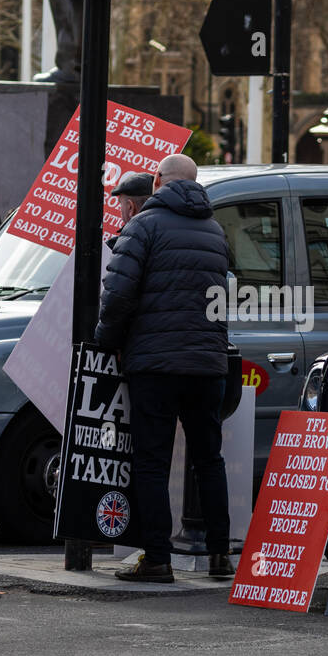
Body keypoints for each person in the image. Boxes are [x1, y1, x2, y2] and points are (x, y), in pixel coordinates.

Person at [95, 154, 232, 583]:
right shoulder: (215, 231)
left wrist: (106, 341)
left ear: (157, 182)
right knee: (209, 459)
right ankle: (219, 555)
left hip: (155, 362)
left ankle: (157, 558)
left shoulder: (143, 226)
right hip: (207, 363)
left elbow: (117, 295)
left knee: (151, 461)